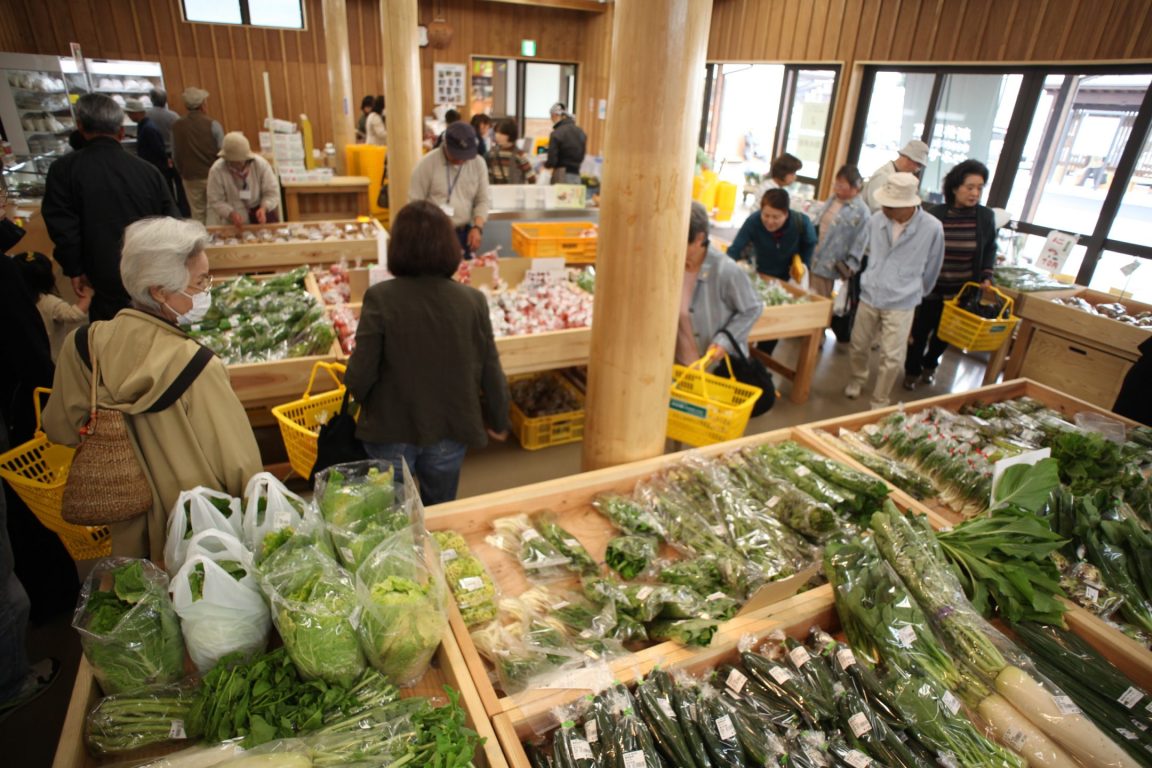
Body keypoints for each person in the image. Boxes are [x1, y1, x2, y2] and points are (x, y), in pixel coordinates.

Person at [43, 217, 263, 561]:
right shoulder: (199, 366)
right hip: (196, 533)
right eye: (201, 281)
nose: (207, 289)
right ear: (160, 291)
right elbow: (240, 467)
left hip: (122, 527)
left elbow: (60, 428)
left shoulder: (83, 347)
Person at [345, 201, 509, 506]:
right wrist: (499, 418)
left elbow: (360, 375)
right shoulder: (472, 300)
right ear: (449, 246)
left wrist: (362, 397)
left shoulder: (380, 298)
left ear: (398, 247)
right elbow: (490, 367)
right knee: (440, 511)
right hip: (450, 426)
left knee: (392, 518)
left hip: (389, 428)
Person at [42, 93, 178, 321]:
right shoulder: (147, 171)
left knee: (110, 330)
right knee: (153, 325)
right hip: (147, 268)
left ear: (80, 127)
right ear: (121, 131)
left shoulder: (64, 170)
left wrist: (74, 268)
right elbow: (172, 221)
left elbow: (63, 227)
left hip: (99, 272)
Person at [840, 172, 945, 410]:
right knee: (858, 344)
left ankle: (880, 399)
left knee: (892, 356)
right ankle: (857, 378)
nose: (884, 208)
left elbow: (933, 267)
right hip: (870, 294)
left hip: (903, 301)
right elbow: (864, 249)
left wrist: (917, 291)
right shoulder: (877, 220)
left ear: (908, 205)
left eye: (890, 206)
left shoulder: (932, 228)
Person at [904, 159, 999, 389]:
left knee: (945, 334)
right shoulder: (935, 213)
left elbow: (989, 249)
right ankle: (911, 370)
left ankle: (930, 364)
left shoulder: (985, 217)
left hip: (960, 292)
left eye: (979, 188)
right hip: (931, 287)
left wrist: (987, 276)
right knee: (920, 331)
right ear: (955, 187)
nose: (975, 193)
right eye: (970, 187)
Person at [677, 202, 764, 368]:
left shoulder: (725, 270)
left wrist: (723, 342)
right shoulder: (670, 266)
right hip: (679, 369)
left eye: (679, 241)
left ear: (699, 239)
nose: (671, 246)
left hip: (714, 370)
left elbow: (753, 308)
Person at [409, 122, 491, 256]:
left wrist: (477, 227)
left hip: (464, 233)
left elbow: (482, 200)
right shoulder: (426, 165)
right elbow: (415, 206)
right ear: (445, 144)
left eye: (465, 155)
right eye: (456, 154)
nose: (461, 160)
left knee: (464, 270)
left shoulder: (478, 163)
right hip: (434, 235)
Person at [727, 188, 816, 281]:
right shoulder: (753, 221)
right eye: (766, 215)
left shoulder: (801, 222)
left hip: (788, 277)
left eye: (775, 217)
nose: (770, 221)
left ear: (786, 214)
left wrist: (803, 265)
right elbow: (735, 249)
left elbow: (811, 242)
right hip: (759, 273)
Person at [15, 251, 90, 362]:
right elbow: (74, 315)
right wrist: (86, 296)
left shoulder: (16, 302)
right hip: (54, 358)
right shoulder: (49, 302)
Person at [808, 165, 870, 298]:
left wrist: (850, 265)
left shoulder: (862, 211)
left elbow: (860, 242)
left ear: (855, 188)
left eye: (841, 185)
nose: (836, 188)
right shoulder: (833, 199)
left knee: (818, 301)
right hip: (812, 256)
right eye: (836, 184)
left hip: (829, 265)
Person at [171, 87, 224, 223]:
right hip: (212, 175)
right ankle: (215, 236)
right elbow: (222, 152)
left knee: (197, 212)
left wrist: (182, 172)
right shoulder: (213, 124)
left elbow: (175, 155)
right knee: (215, 212)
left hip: (189, 177)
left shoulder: (176, 126)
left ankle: (201, 236)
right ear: (202, 105)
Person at [206, 132, 281, 227]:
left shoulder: (261, 164)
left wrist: (264, 208)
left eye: (242, 161)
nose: (240, 165)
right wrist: (231, 213)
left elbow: (272, 192)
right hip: (233, 221)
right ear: (227, 159)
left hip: (260, 216)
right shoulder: (217, 170)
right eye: (235, 162)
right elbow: (215, 200)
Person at [145, 89, 188, 216]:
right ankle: (184, 211)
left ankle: (170, 212)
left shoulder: (147, 116)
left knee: (165, 185)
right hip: (173, 153)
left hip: (156, 156)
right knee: (180, 185)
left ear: (152, 100)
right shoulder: (173, 116)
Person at [862, 139, 928, 212]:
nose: (917, 169)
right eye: (918, 165)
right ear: (907, 158)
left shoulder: (900, 178)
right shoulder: (882, 176)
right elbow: (877, 208)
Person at [124, 98, 168, 176]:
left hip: (154, 167)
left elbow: (158, 150)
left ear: (136, 113)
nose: (129, 116)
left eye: (129, 113)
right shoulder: (145, 126)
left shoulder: (148, 128)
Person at [544, 103, 586, 184]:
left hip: (561, 175)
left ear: (555, 115)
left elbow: (552, 161)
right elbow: (582, 155)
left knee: (560, 193)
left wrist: (545, 165)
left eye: (552, 117)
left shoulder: (557, 133)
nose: (552, 120)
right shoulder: (580, 132)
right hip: (576, 175)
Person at [487, 118, 536, 185]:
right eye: (496, 132)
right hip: (495, 190)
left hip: (513, 191)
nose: (497, 135)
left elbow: (531, 178)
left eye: (501, 133)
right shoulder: (492, 152)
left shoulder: (519, 155)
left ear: (510, 134)